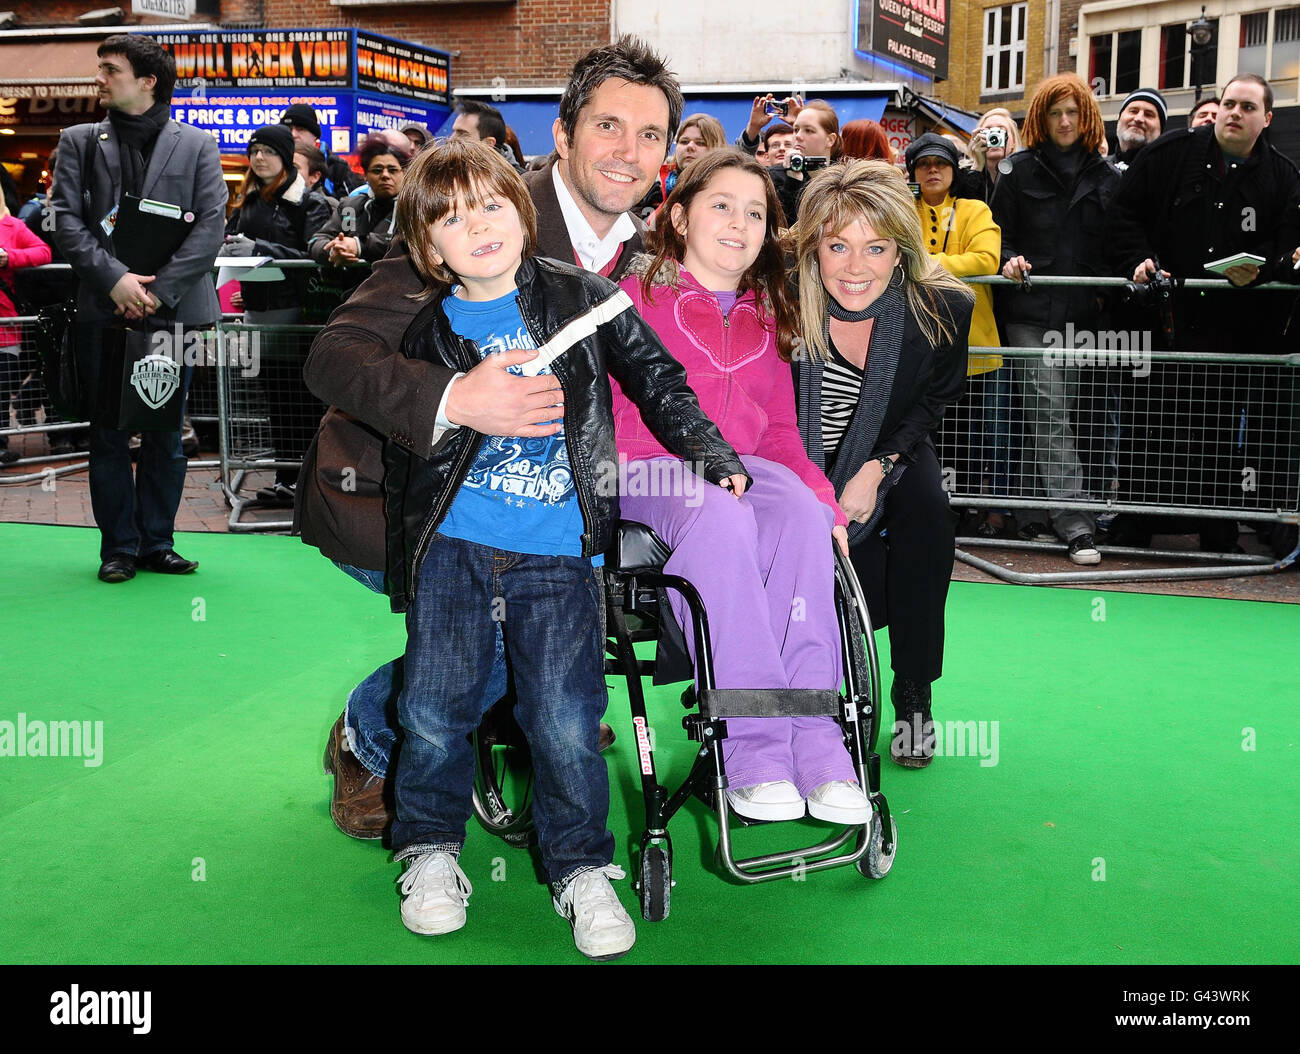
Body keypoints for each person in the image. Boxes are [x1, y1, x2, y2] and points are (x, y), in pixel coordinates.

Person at [361, 137, 746, 958]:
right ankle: (427, 851)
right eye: (453, 219)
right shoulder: (425, 335)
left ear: (523, 212)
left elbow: (660, 381)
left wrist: (709, 454)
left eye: (494, 205)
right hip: (454, 553)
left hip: (560, 555)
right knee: (433, 714)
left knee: (568, 719)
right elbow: (409, 464)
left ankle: (581, 868)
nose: (480, 226)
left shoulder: (587, 297)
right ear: (429, 250)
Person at [302, 35, 684, 840]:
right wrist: (456, 396)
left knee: (547, 635)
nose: (629, 151)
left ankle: (538, 701)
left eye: (650, 135)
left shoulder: (645, 255)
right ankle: (370, 736)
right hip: (400, 499)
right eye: (609, 126)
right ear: (565, 134)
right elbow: (333, 356)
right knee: (489, 641)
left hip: (545, 511)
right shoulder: (478, 211)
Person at [613, 147, 867, 822]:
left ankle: (817, 748)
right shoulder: (634, 294)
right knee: (719, 514)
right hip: (644, 468)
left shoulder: (766, 312)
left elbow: (780, 434)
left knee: (800, 515)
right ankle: (753, 749)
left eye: (755, 212)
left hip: (744, 471)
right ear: (680, 215)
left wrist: (823, 498)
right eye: (721, 205)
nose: (739, 222)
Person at [789, 159, 973, 768]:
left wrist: (876, 465)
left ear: (900, 250)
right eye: (837, 245)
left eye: (875, 247)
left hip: (892, 442)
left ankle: (913, 688)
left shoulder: (943, 305)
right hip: (800, 450)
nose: (854, 267)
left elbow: (933, 399)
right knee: (837, 545)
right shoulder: (785, 300)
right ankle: (834, 694)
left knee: (926, 510)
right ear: (814, 244)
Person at [52, 34, 226, 583]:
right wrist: (115, 282)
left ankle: (157, 542)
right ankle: (118, 548)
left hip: (173, 312)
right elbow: (63, 221)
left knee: (165, 432)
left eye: (110, 69)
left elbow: (210, 227)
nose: (98, 78)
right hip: (103, 310)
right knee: (106, 432)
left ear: (147, 81)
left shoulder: (198, 145)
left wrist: (154, 292)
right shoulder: (79, 140)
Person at [1105, 73, 1300, 551]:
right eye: (1229, 103)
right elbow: (1121, 213)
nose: (1234, 113)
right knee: (1147, 425)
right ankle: (1135, 525)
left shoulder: (1283, 176)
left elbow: (1289, 244)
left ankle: (1217, 530)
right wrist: (1138, 259)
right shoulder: (1170, 153)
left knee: (1217, 432)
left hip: (1234, 328)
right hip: (1163, 320)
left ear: (1266, 119)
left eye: (1247, 108)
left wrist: (1264, 269)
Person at [990, 74, 1120, 566]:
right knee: (1048, 414)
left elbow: (1117, 246)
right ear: (1041, 118)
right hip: (1028, 314)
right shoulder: (1016, 171)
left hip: (1086, 318)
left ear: (1086, 116)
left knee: (1070, 418)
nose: (1064, 121)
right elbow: (997, 237)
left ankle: (1036, 516)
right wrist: (1009, 260)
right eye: (1054, 112)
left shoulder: (1109, 177)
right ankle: (1076, 526)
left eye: (1072, 112)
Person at [904, 133, 1008, 536]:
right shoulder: (903, 209)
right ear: (913, 171)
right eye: (924, 163)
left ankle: (989, 513)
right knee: (934, 437)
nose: (933, 170)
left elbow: (987, 258)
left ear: (953, 170)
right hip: (922, 345)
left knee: (988, 437)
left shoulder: (974, 209)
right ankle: (940, 512)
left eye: (941, 163)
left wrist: (925, 263)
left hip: (978, 345)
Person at [223, 124, 332, 506]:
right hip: (257, 310)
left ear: (286, 157)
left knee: (300, 402)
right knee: (275, 399)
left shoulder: (310, 203)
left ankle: (305, 480)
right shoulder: (248, 201)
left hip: (298, 317)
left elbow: (313, 256)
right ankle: (287, 478)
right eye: (254, 150)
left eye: (268, 151)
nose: (259, 158)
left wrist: (259, 248)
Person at [0, 198, 52, 464]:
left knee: (2, 385)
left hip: (6, 326)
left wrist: (10, 258)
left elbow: (44, 252)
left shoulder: (12, 225)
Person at [310, 131, 411, 267]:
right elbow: (316, 241)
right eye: (377, 170)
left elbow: (408, 244)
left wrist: (359, 246)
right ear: (365, 175)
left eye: (392, 170)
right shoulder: (351, 207)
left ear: (404, 173)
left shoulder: (413, 208)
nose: (385, 175)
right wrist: (335, 249)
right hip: (352, 286)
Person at [638, 112, 726, 214]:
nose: (690, 146)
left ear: (716, 149)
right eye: (684, 141)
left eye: (700, 143)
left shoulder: (726, 191)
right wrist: (643, 212)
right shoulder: (655, 188)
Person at [279, 102, 363, 197]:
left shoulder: (337, 167)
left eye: (300, 129)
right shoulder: (275, 162)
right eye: (289, 129)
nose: (293, 134)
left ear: (315, 135)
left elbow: (351, 206)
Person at [959, 107, 1023, 203]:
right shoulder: (962, 174)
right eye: (988, 131)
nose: (995, 137)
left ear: (1013, 141)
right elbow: (961, 207)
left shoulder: (1024, 173)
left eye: (1001, 131)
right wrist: (977, 166)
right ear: (977, 138)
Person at [450, 100, 525, 172]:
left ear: (488, 143)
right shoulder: (446, 174)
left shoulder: (518, 182)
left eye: (462, 134)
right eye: (454, 131)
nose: (451, 139)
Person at [1112, 87, 1167, 168]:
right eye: (1133, 111)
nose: (1138, 119)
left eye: (1148, 114)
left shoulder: (1172, 176)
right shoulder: (1095, 171)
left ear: (1160, 130)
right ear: (1119, 119)